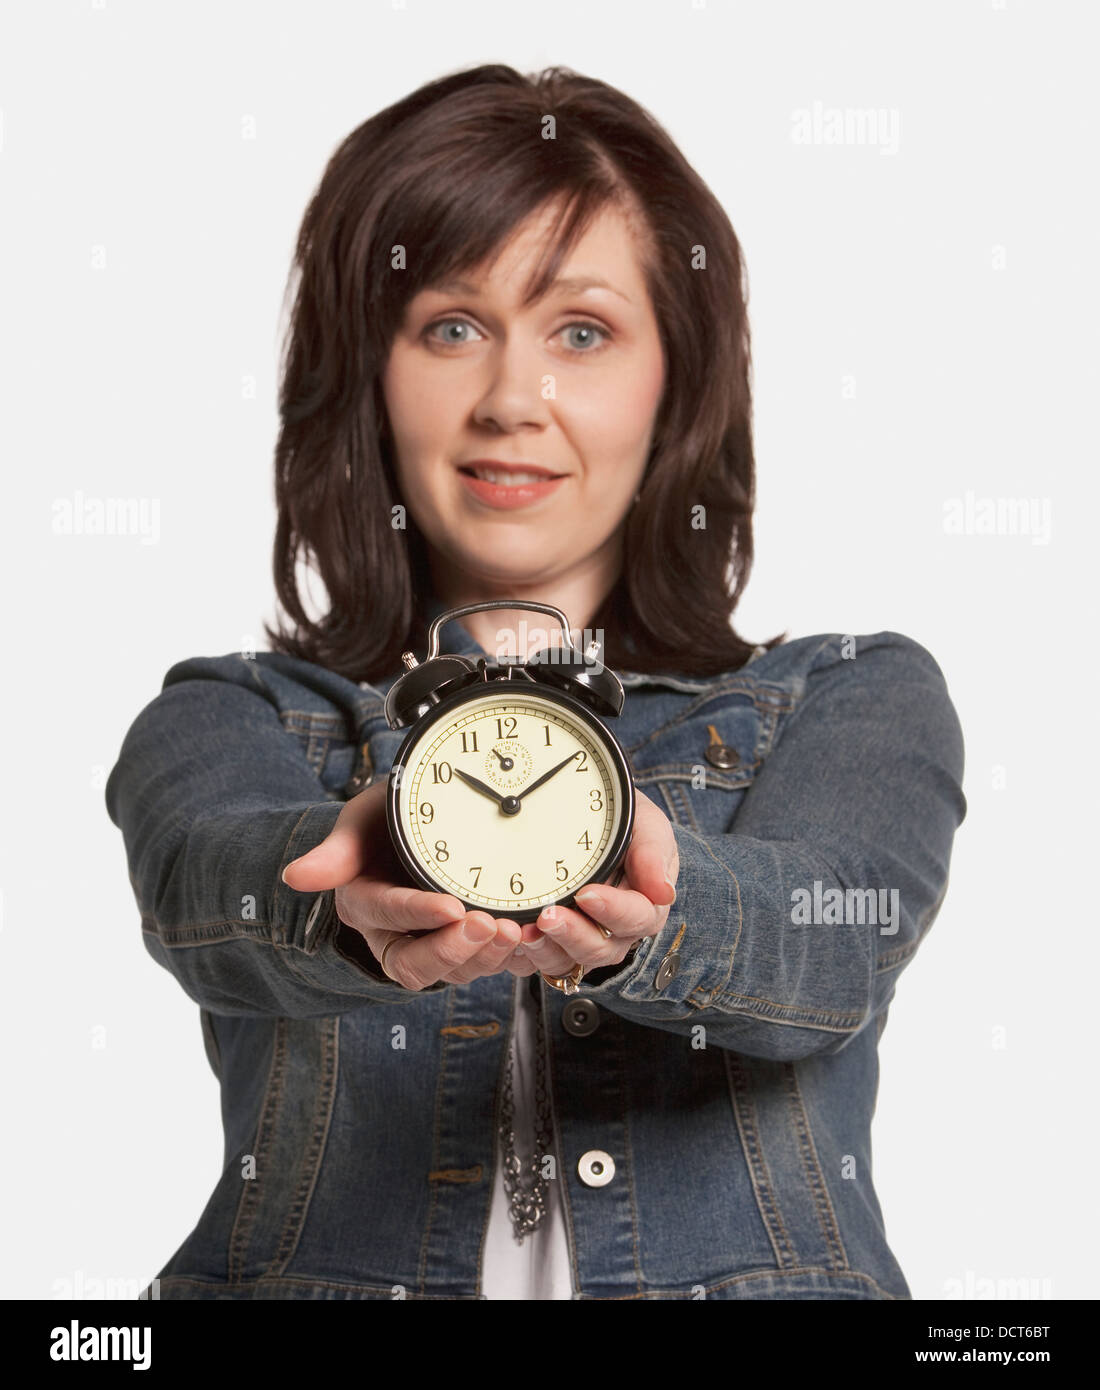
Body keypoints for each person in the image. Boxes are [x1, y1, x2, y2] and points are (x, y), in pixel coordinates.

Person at [105, 63, 966, 1300]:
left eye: (581, 331)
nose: (514, 399)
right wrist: (351, 888)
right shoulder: (234, 714)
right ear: (369, 373)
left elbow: (827, 944)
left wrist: (653, 898)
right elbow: (211, 893)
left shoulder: (844, 694)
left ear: (673, 379)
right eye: (451, 327)